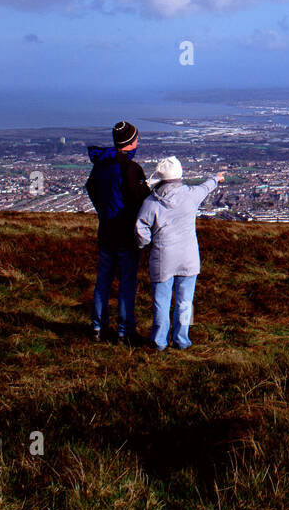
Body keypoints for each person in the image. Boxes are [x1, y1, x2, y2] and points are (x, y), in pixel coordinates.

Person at [134, 156, 223, 351]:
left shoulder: (151, 202)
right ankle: (182, 339)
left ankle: (159, 341)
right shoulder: (191, 195)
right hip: (188, 257)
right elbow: (206, 187)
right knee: (185, 302)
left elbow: (140, 228)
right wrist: (216, 178)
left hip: (162, 257)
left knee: (161, 302)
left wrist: (146, 244)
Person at [84, 120, 152, 344]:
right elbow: (141, 200)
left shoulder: (101, 165)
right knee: (126, 282)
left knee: (103, 280)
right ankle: (125, 330)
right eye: (136, 139)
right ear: (131, 142)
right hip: (125, 234)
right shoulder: (131, 169)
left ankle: (98, 327)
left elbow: (91, 187)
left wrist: (103, 210)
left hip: (106, 231)